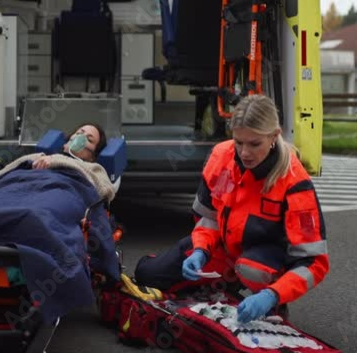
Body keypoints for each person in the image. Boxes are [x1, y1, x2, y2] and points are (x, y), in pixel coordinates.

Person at [134, 95, 328, 323]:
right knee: (147, 274)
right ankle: (219, 284)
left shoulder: (294, 183)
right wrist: (200, 251)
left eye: (254, 144)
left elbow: (314, 262)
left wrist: (272, 294)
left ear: (274, 136)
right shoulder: (220, 157)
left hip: (262, 261)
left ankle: (273, 305)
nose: (244, 152)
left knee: (251, 269)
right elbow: (207, 219)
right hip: (222, 250)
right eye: (238, 142)